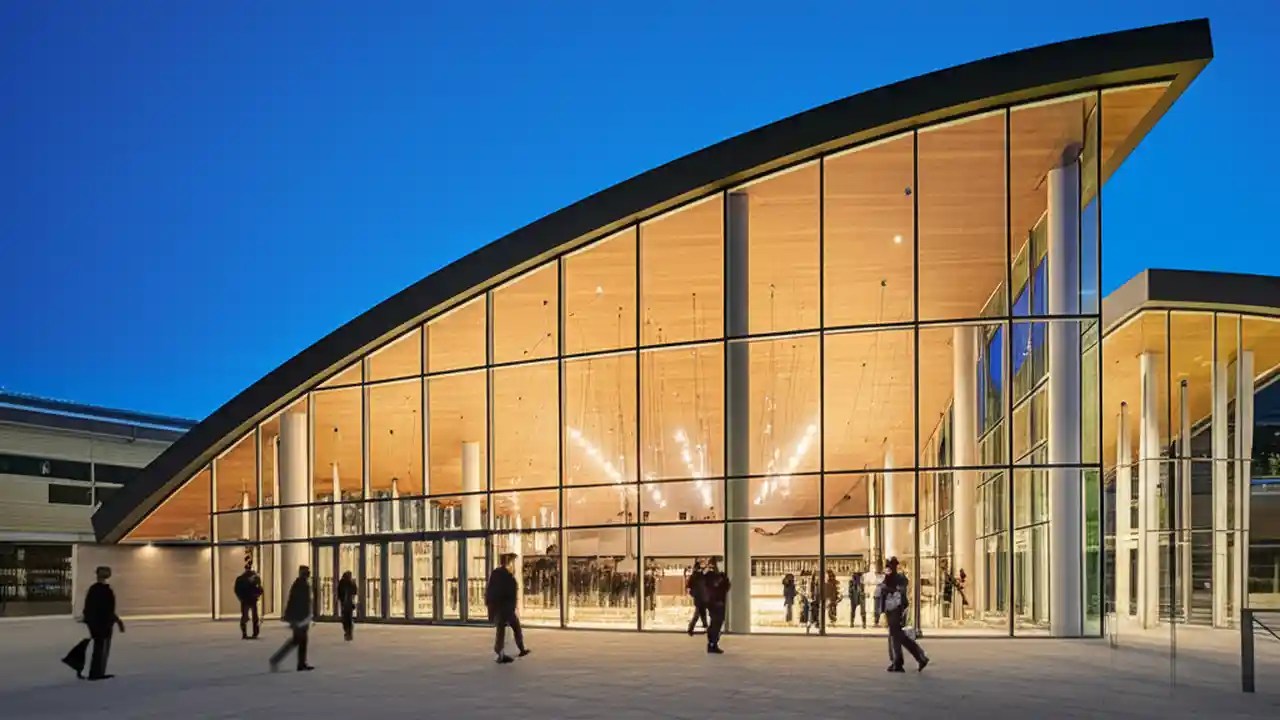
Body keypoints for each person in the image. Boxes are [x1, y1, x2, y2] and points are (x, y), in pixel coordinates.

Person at [880, 556, 928, 673]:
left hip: (897, 608)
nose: (889, 568)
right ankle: (897, 661)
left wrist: (887, 588)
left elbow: (900, 591)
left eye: (890, 565)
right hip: (890, 609)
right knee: (894, 635)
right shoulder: (887, 578)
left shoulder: (899, 578)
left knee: (898, 635)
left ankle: (919, 656)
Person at [82, 566, 125, 681]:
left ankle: (98, 672)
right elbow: (105, 609)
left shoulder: (99, 589)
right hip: (101, 624)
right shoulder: (102, 590)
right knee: (101, 648)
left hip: (101, 623)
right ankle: (96, 673)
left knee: (101, 648)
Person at [269, 565, 314, 672]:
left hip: (301, 617)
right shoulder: (300, 585)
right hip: (299, 618)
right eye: (306, 572)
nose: (308, 574)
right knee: (298, 640)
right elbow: (297, 602)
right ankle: (277, 659)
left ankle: (301, 663)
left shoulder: (301, 584)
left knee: (300, 641)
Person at [486, 553, 529, 664]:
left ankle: (506, 651)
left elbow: (491, 590)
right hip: (504, 606)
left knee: (507, 628)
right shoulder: (504, 575)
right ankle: (503, 653)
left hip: (502, 606)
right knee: (508, 627)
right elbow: (503, 591)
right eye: (512, 561)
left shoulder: (498, 574)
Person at [703, 559, 730, 654]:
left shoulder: (721, 576)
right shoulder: (709, 576)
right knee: (715, 623)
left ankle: (713, 643)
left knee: (718, 623)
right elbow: (710, 588)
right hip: (714, 603)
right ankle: (712, 643)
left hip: (719, 602)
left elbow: (727, 586)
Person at [234, 562, 264, 640]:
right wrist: (257, 594)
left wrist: (240, 598)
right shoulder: (255, 578)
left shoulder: (240, 578)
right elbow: (260, 589)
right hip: (252, 599)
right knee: (254, 617)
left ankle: (245, 633)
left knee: (245, 617)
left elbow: (237, 590)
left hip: (245, 600)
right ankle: (255, 633)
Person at [685, 558, 708, 635]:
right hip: (701, 597)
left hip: (699, 597)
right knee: (698, 613)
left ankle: (705, 626)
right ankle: (691, 628)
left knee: (702, 613)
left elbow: (689, 586)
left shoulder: (694, 576)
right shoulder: (700, 576)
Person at [336, 571, 358, 641]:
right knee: (348, 618)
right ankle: (349, 632)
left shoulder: (343, 582)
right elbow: (355, 592)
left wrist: (340, 599)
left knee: (346, 619)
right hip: (348, 603)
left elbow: (339, 592)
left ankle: (348, 632)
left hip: (346, 604)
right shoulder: (350, 582)